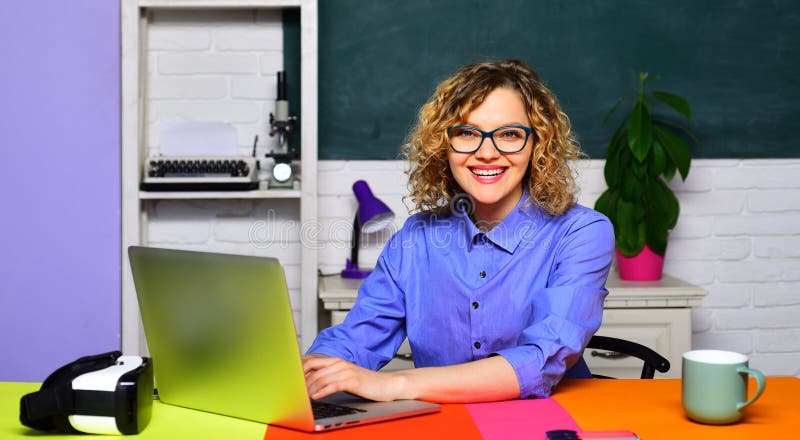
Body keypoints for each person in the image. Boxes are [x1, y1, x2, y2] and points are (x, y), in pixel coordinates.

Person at [303, 59, 614, 403]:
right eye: (467, 133)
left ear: (536, 144)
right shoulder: (415, 239)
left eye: (509, 134)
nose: (487, 153)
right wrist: (314, 370)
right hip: (443, 423)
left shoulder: (582, 233)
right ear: (444, 145)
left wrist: (395, 384)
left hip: (551, 421)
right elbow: (355, 340)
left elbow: (541, 360)